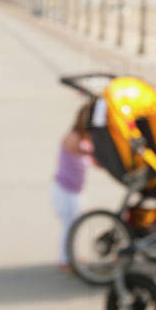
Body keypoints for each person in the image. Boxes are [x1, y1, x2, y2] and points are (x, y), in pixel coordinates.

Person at [52, 101, 96, 273]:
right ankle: (65, 260)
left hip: (75, 190)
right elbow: (87, 152)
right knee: (69, 225)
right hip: (64, 190)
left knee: (74, 223)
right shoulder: (73, 138)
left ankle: (71, 256)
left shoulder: (83, 139)